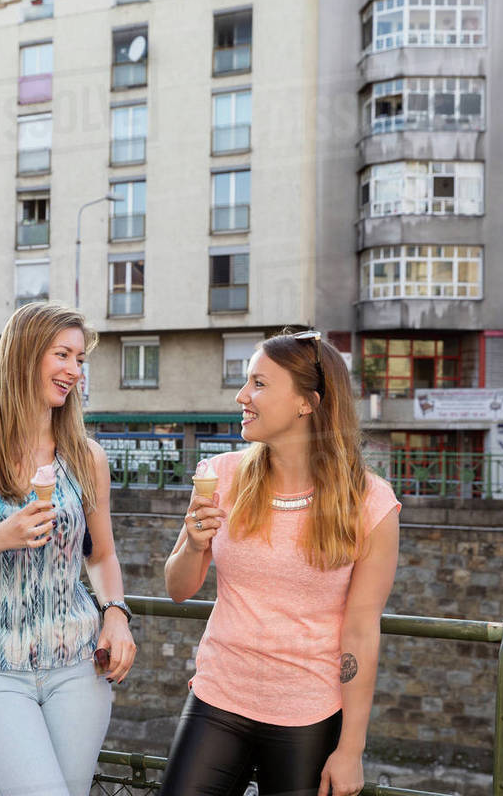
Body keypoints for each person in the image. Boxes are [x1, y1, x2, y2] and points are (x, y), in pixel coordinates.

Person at [160, 330, 401, 796]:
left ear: (306, 403)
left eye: (259, 384)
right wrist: (192, 544)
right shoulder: (219, 476)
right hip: (218, 697)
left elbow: (361, 629)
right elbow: (178, 588)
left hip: (308, 712)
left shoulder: (370, 503)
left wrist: (350, 750)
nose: (242, 395)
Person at [0, 302, 137, 796]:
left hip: (80, 667)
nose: (74, 372)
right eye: (63, 355)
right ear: (24, 355)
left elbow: (100, 556)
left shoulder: (87, 456)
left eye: (80, 360)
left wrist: (116, 613)